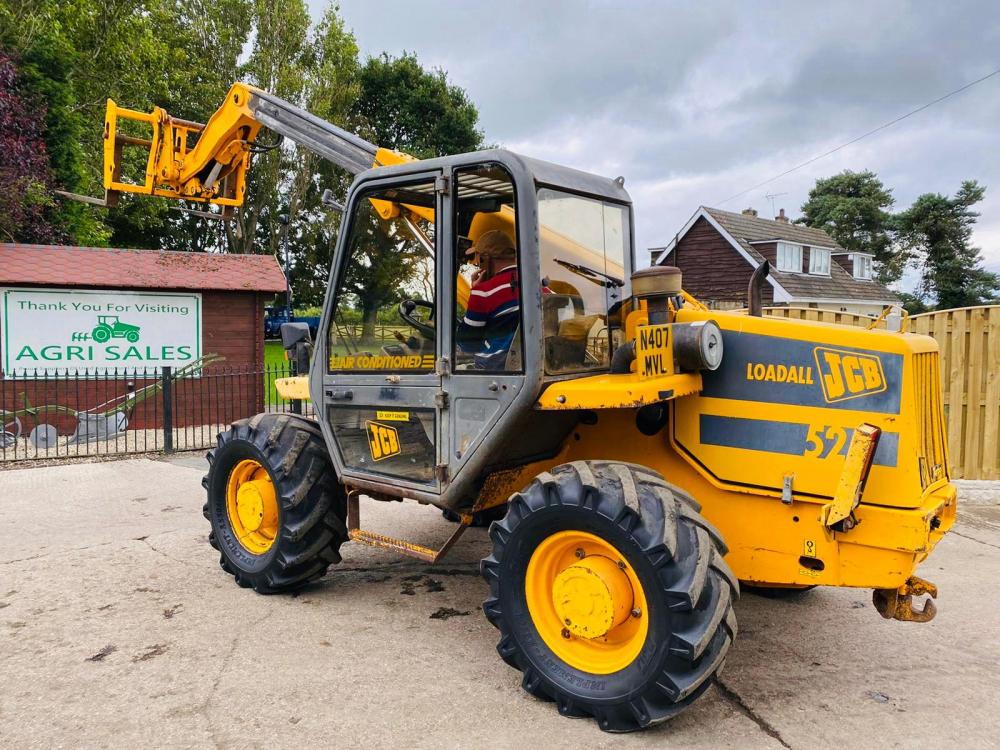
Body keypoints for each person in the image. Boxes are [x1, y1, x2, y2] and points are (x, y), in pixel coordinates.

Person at [456, 229, 521, 369]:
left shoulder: (484, 291)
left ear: (485, 258)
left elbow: (467, 344)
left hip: (494, 371)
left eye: (478, 260)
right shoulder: (540, 286)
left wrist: (475, 291)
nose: (478, 265)